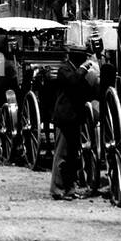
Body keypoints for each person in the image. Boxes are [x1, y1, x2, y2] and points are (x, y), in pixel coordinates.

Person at [50, 47, 101, 200]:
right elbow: (73, 82)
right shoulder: (64, 70)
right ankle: (57, 189)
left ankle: (70, 189)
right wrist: (83, 69)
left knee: (72, 156)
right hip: (65, 118)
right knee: (61, 156)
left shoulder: (78, 72)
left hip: (75, 119)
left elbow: (87, 90)